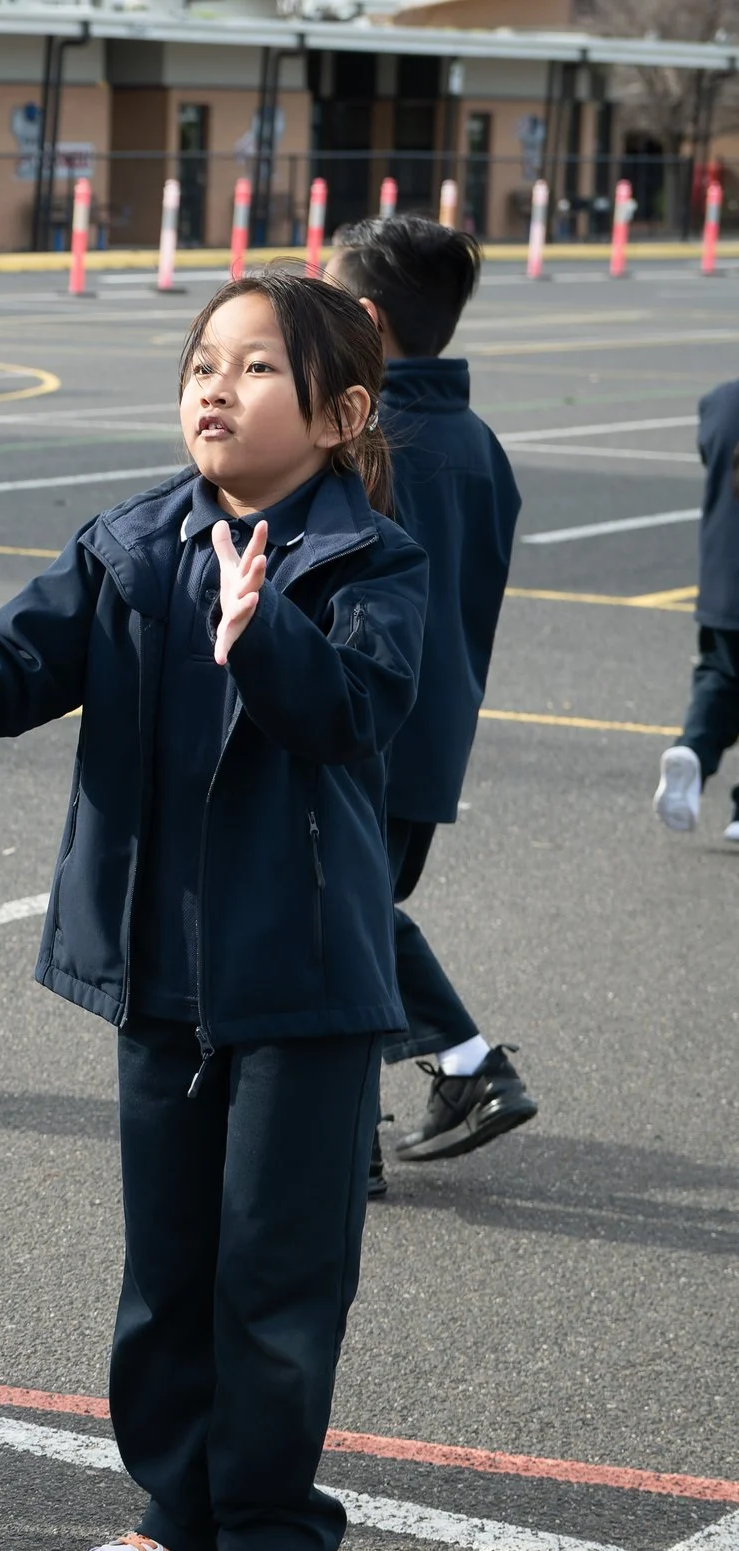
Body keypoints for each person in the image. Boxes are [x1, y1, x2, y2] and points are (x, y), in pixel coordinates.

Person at [0, 270, 426, 1551]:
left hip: (304, 976)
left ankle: (272, 1529)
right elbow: (15, 667)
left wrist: (271, 636)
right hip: (163, 973)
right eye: (206, 359)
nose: (216, 384)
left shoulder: (372, 562)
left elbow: (359, 716)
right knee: (170, 1266)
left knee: (278, 1264)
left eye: (256, 367)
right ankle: (177, 1515)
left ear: (340, 411)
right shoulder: (133, 546)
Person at [326, 217, 538, 1184]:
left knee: (341, 906)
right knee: (343, 916)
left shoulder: (363, 441)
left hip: (354, 721)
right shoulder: (480, 445)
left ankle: (463, 1058)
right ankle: (350, 1133)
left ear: (364, 317)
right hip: (434, 729)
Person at [654, 375, 739, 843]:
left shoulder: (721, 402)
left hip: (724, 582)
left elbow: (710, 450)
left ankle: (693, 750)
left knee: (721, 676)